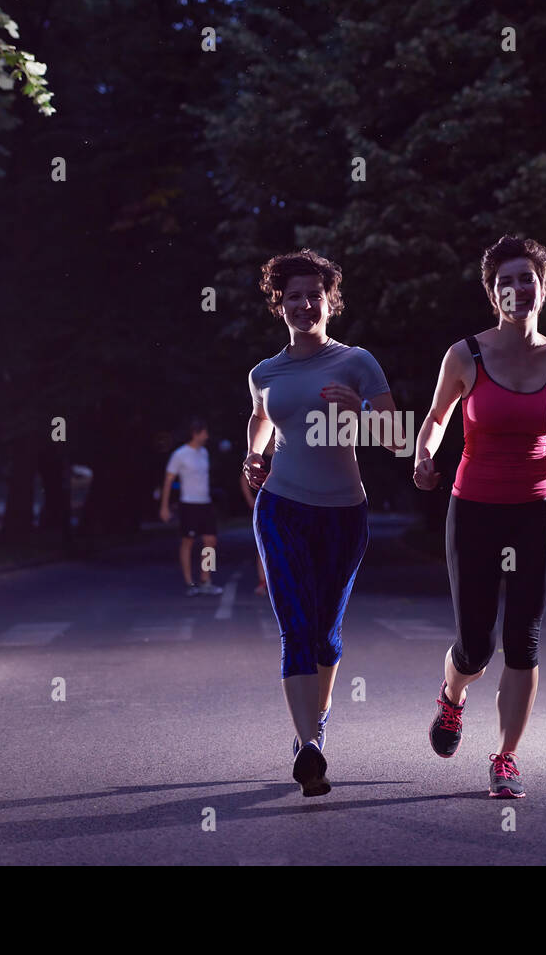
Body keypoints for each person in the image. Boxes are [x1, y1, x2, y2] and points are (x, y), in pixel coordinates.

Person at [412, 235, 546, 798]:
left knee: (523, 640)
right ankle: (452, 699)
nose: (517, 289)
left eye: (526, 278)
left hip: (535, 511)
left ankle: (505, 757)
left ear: (543, 285)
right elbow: (435, 419)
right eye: (505, 282)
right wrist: (424, 454)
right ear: (492, 293)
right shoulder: (465, 355)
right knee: (476, 646)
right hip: (473, 509)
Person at [245, 248, 404, 797]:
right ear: (279, 305)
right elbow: (261, 417)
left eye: (314, 294)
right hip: (282, 508)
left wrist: (356, 412)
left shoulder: (357, 362)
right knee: (295, 628)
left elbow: (397, 437)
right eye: (293, 296)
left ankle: (316, 726)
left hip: (343, 514)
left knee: (326, 638)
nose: (305, 303)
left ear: (329, 300)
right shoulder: (264, 372)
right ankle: (310, 746)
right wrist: (254, 457)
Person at [159, 420, 224, 597]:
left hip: (205, 503)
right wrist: (164, 506)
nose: (207, 436)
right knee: (187, 541)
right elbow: (168, 481)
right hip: (188, 504)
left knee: (210, 541)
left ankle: (206, 579)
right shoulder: (180, 454)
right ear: (195, 433)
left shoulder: (204, 452)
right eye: (204, 433)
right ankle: (190, 582)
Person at [238, 432, 273, 595]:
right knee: (264, 544)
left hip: (284, 501)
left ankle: (278, 582)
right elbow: (243, 478)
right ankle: (262, 582)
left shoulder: (285, 453)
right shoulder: (260, 456)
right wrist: (250, 500)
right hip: (265, 503)